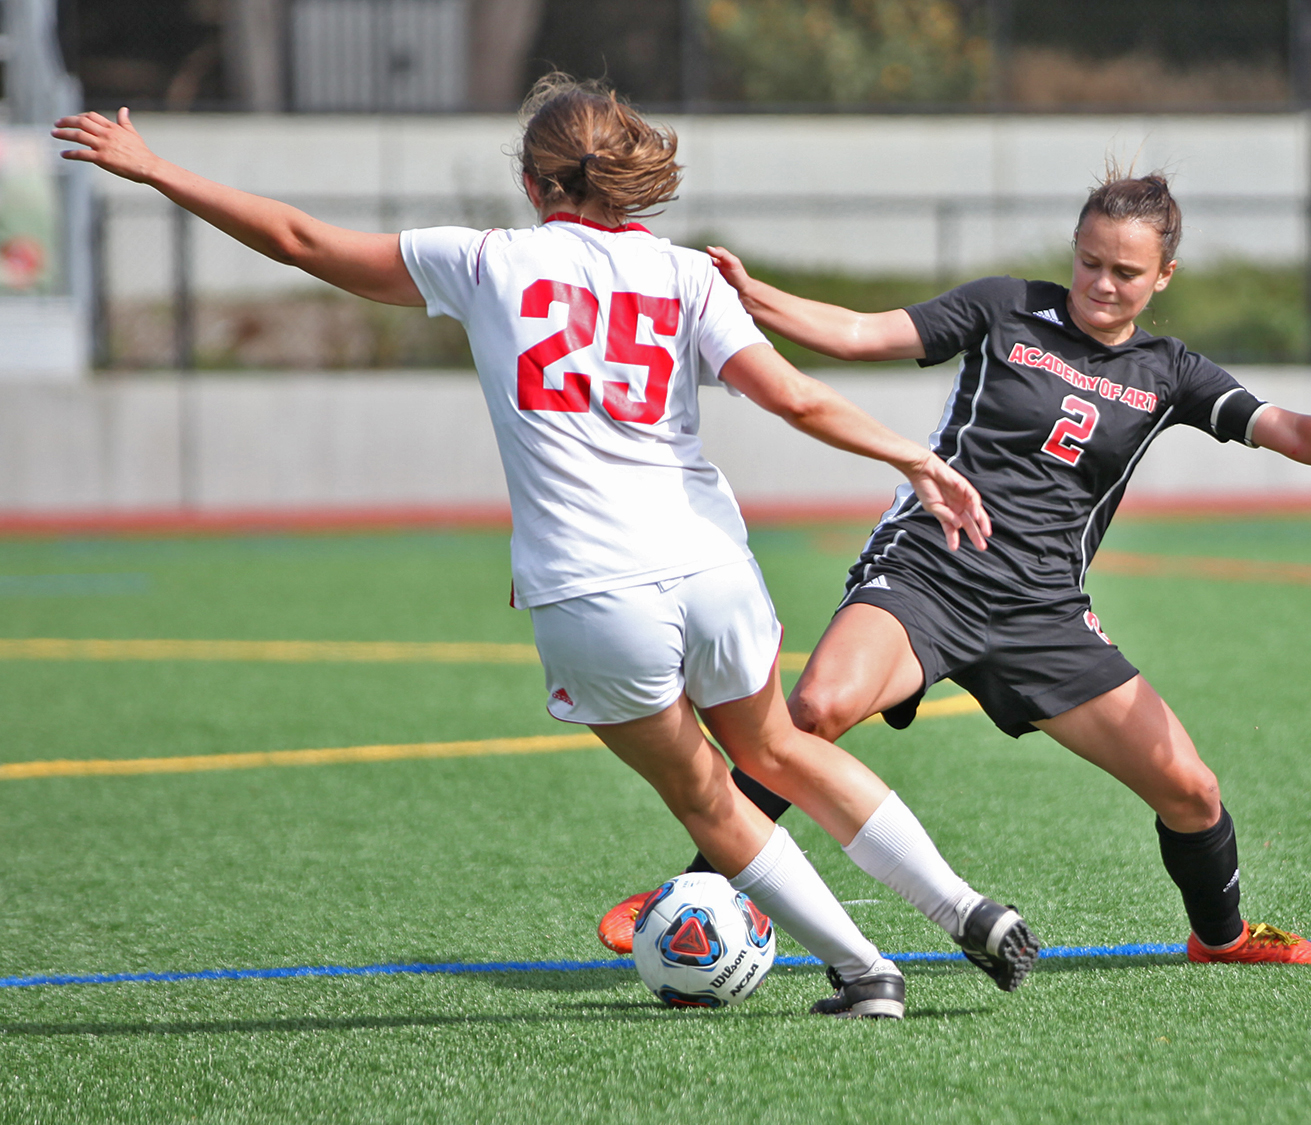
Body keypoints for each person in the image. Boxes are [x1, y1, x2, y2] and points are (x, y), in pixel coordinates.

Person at [53, 74, 1042, 1019]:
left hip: (593, 590)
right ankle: (967, 910)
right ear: (627, 174)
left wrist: (158, 168)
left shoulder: (487, 262)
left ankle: (866, 972)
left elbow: (300, 239)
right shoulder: (686, 273)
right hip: (711, 568)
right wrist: (914, 456)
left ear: (532, 183)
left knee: (704, 793)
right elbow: (791, 395)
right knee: (779, 747)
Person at [599, 171, 1311, 966]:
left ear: (1163, 276)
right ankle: (693, 890)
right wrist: (754, 296)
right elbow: (863, 334)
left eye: (1126, 272)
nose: (1102, 283)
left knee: (1192, 791)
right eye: (1090, 261)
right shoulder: (1006, 308)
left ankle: (1222, 937)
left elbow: (1285, 427)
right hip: (932, 571)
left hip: (1045, 610)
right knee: (814, 709)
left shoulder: (1171, 372)